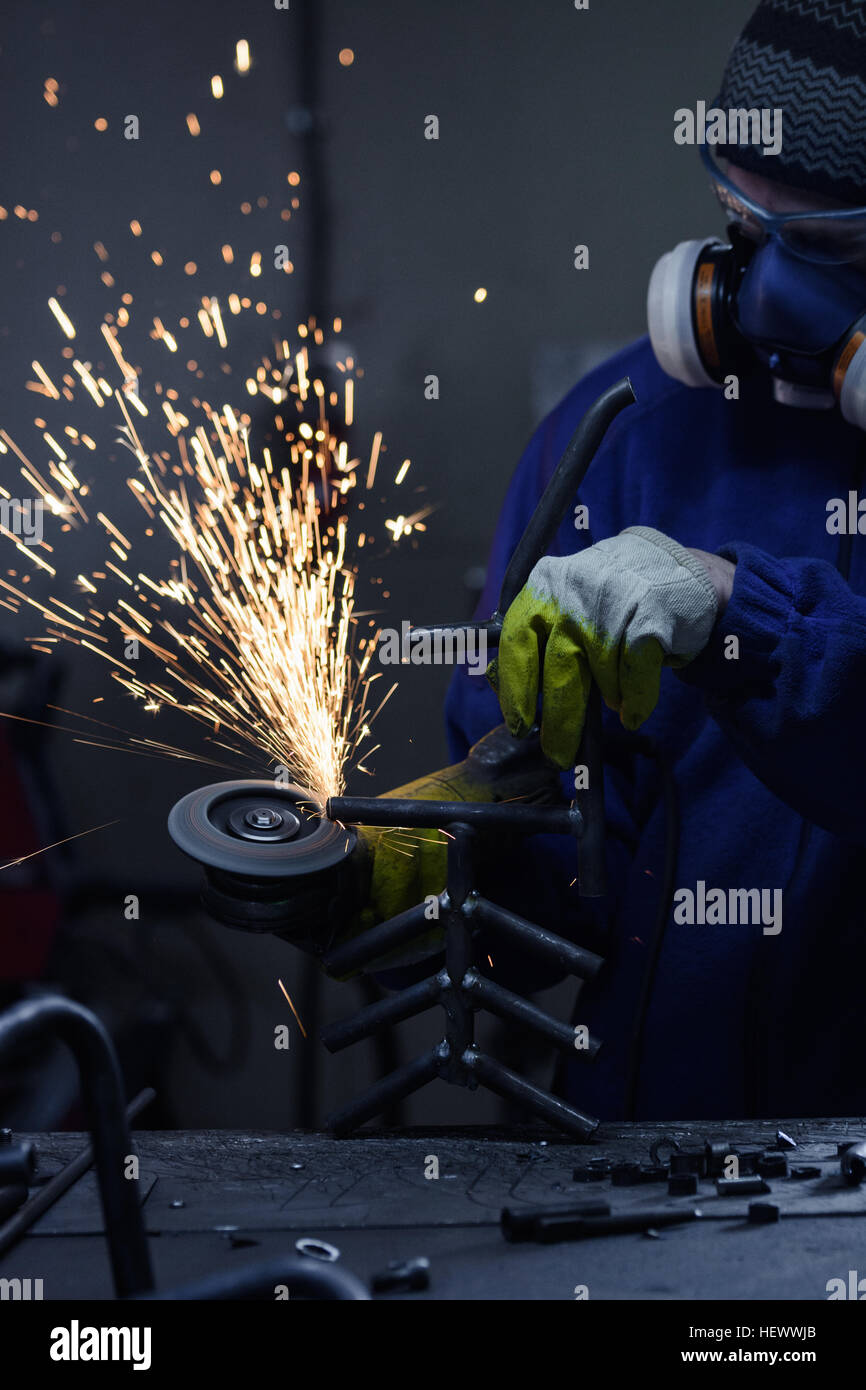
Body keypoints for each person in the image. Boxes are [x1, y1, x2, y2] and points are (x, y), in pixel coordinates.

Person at [365, 0, 866, 1122]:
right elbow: (568, 859)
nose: (772, 296)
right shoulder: (620, 435)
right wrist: (436, 880)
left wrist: (745, 616)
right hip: (653, 1165)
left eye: (828, 249)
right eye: (743, 230)